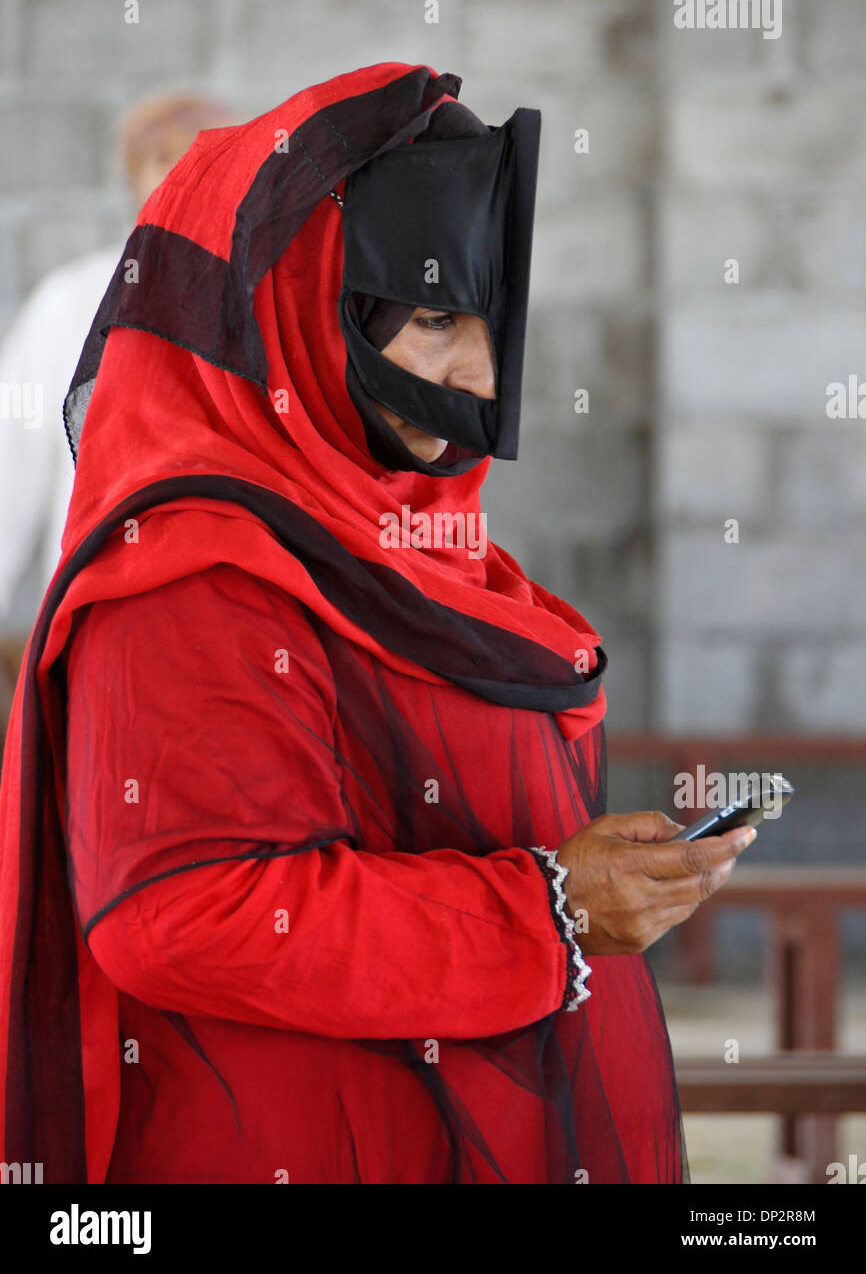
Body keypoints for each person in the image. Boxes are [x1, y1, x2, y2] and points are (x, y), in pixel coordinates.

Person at [0, 61, 754, 1185]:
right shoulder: (193, 574)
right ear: (300, 305)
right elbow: (178, 910)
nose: (483, 371)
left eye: (490, 318)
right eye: (439, 318)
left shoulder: (406, 537)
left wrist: (585, 875)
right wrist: (543, 910)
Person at [0, 91, 235, 636]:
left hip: (237, 615)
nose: (180, 174)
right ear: (132, 176)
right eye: (160, 157)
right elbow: (9, 465)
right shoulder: (70, 300)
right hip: (100, 614)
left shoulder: (267, 304)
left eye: (202, 158)